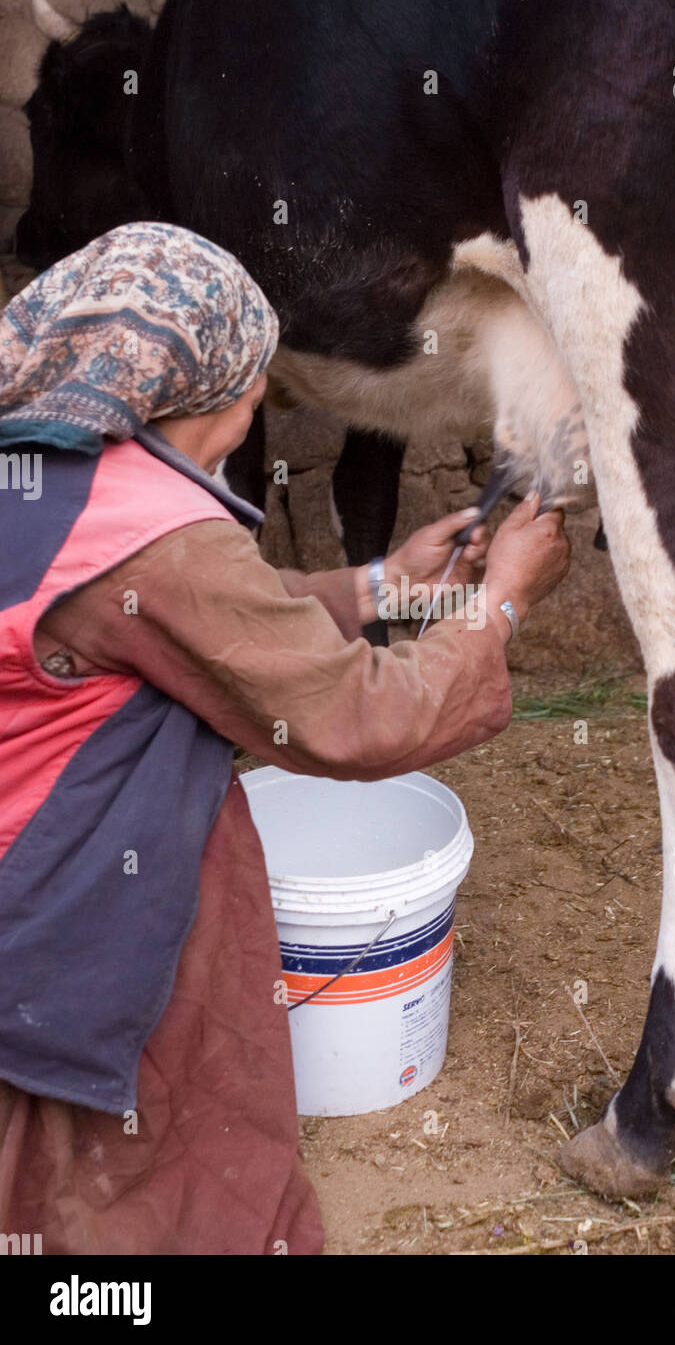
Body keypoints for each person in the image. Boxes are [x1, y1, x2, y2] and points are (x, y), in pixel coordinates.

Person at [0, 222, 570, 1255]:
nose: (257, 407)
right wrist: (501, 606)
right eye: (253, 386)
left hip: (29, 911)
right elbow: (357, 714)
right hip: (75, 944)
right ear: (197, 391)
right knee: (132, 1202)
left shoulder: (43, 474)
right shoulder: (158, 538)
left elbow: (201, 625)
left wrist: (385, 582)